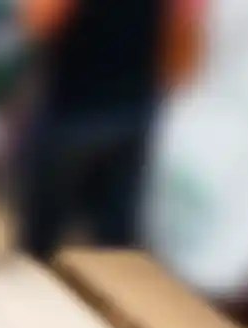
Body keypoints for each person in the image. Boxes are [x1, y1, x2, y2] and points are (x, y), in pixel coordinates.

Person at [14, 0, 166, 259]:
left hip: (72, 111)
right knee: (113, 247)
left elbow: (38, 23)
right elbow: (183, 48)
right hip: (132, 112)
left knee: (39, 246)